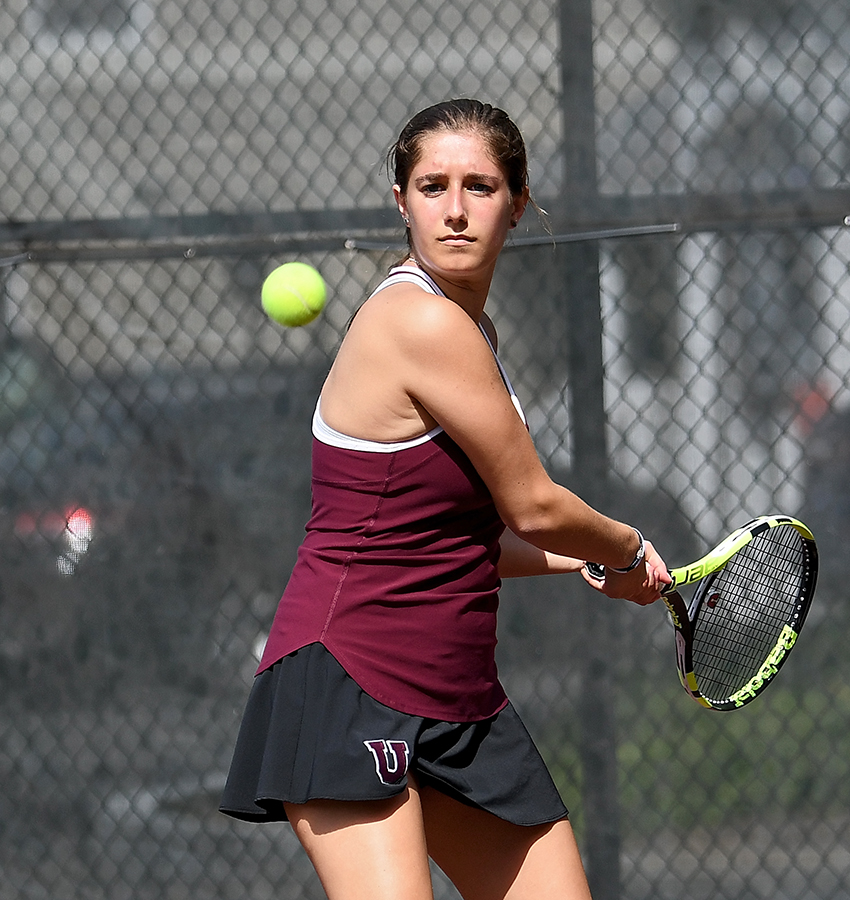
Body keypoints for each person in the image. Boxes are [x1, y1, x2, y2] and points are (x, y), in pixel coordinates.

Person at [219, 98, 671, 900]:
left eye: (480, 186)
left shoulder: (474, 332)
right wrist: (626, 548)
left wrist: (577, 561)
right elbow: (531, 502)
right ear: (402, 202)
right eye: (432, 186)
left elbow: (458, 535)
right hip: (348, 678)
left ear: (518, 203)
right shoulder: (418, 324)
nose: (455, 210)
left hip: (458, 697)